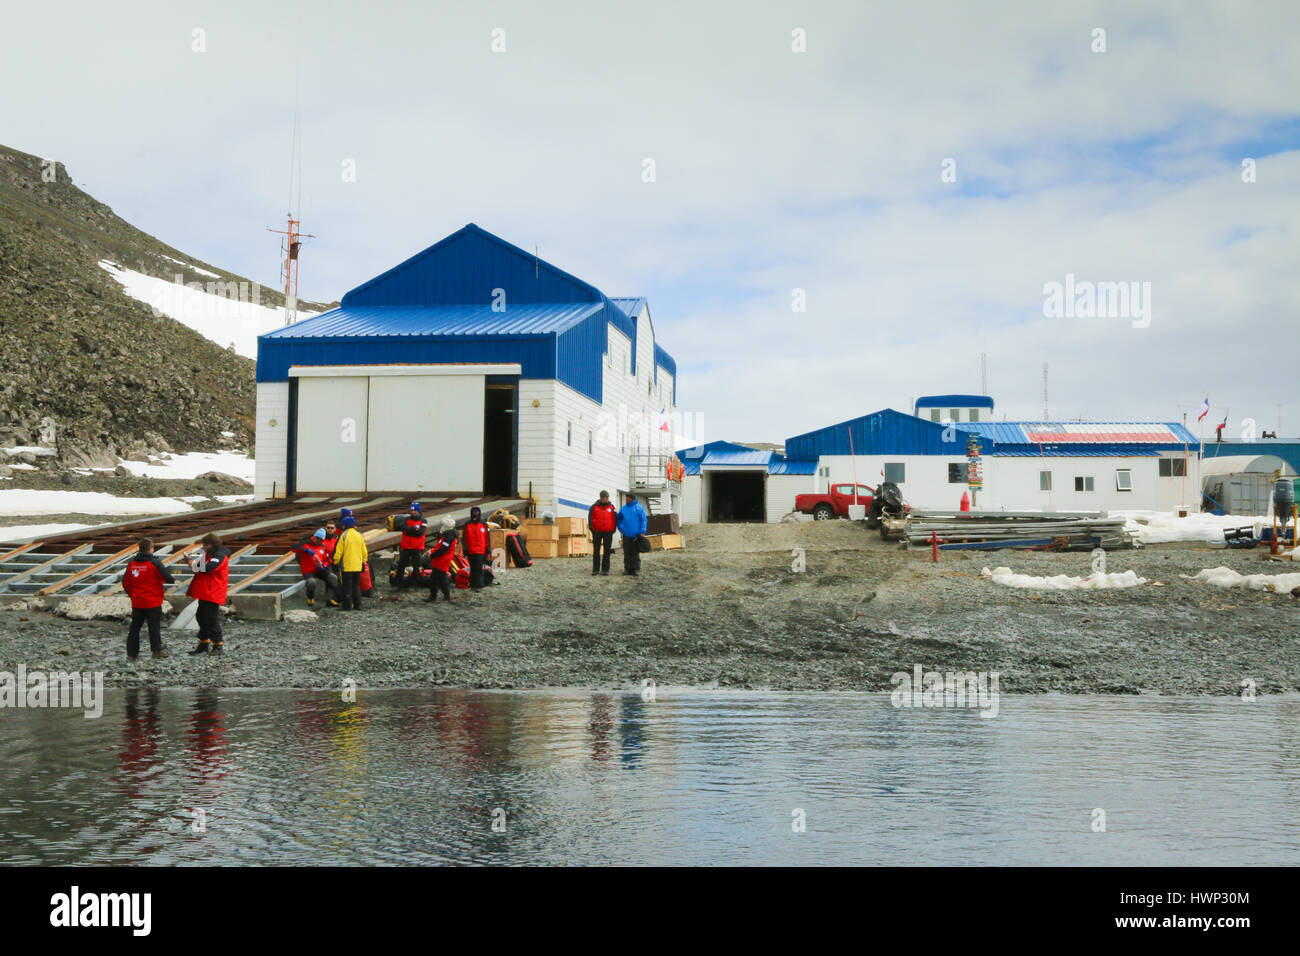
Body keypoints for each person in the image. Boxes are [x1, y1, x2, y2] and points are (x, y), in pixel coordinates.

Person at [121, 537, 174, 661]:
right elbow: (169, 578)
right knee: (154, 627)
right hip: (152, 601)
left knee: (135, 628)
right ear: (151, 549)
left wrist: (132, 594)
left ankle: (131, 654)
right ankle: (156, 650)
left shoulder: (132, 564)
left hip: (138, 601)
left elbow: (125, 582)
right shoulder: (155, 563)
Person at [186, 533, 231, 655]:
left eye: (204, 545)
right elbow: (198, 568)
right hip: (206, 592)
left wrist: (194, 565)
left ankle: (218, 645)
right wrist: (191, 563)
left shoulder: (220, 555)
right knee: (201, 617)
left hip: (212, 592)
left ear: (210, 544)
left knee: (211, 618)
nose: (203, 547)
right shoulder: (209, 555)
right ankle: (204, 643)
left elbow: (210, 567)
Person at [293, 528, 339, 607]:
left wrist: (324, 566)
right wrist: (305, 550)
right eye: (318, 538)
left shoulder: (323, 547)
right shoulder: (306, 544)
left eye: (321, 539)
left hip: (319, 569)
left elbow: (326, 560)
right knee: (311, 582)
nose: (319, 541)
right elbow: (294, 547)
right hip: (309, 570)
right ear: (314, 537)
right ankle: (310, 598)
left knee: (333, 578)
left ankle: (329, 598)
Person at [332, 514, 369, 610]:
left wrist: (335, 561)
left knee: (346, 586)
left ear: (345, 525)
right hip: (357, 566)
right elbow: (364, 551)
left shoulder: (343, 536)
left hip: (347, 566)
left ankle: (347, 606)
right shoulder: (359, 535)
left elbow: (339, 551)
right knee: (356, 585)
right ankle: (358, 605)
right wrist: (363, 561)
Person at [424, 516, 458, 603]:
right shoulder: (447, 536)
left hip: (442, 562)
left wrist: (432, 555)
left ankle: (445, 596)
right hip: (439, 561)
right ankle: (435, 596)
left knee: (441, 580)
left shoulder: (449, 537)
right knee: (435, 579)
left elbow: (442, 550)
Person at [394, 501, 428, 584]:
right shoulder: (406, 519)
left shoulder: (423, 521)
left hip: (417, 548)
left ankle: (416, 582)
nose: (413, 512)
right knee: (401, 565)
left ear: (418, 510)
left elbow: (420, 533)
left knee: (416, 566)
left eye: (415, 510)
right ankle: (399, 582)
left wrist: (409, 530)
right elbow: (403, 528)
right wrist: (414, 529)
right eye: (412, 510)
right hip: (406, 547)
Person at [617, 492, 648, 576]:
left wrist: (642, 531)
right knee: (627, 552)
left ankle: (635, 569)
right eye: (625, 498)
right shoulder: (623, 508)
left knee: (635, 553)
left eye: (627, 498)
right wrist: (620, 527)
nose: (626, 500)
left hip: (636, 535)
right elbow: (618, 518)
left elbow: (643, 520)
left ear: (632, 499)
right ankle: (627, 569)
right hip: (626, 534)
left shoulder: (639, 508)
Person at [588, 490, 618, 576]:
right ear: (601, 498)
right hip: (597, 532)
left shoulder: (611, 507)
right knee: (596, 550)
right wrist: (592, 529)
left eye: (608, 497)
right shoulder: (594, 507)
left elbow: (614, 519)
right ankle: (595, 569)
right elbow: (590, 518)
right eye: (606, 497)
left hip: (608, 532)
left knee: (607, 551)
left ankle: (605, 570)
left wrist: (613, 529)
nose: (607, 499)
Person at [462, 506, 490, 590]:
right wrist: (465, 550)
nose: (475, 513)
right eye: (474, 512)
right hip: (471, 550)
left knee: (479, 568)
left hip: (481, 551)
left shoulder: (484, 524)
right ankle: (473, 584)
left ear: (479, 513)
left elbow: (487, 538)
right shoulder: (467, 524)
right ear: (471, 513)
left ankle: (479, 585)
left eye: (477, 512)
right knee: (472, 568)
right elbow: (464, 538)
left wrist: (488, 550)